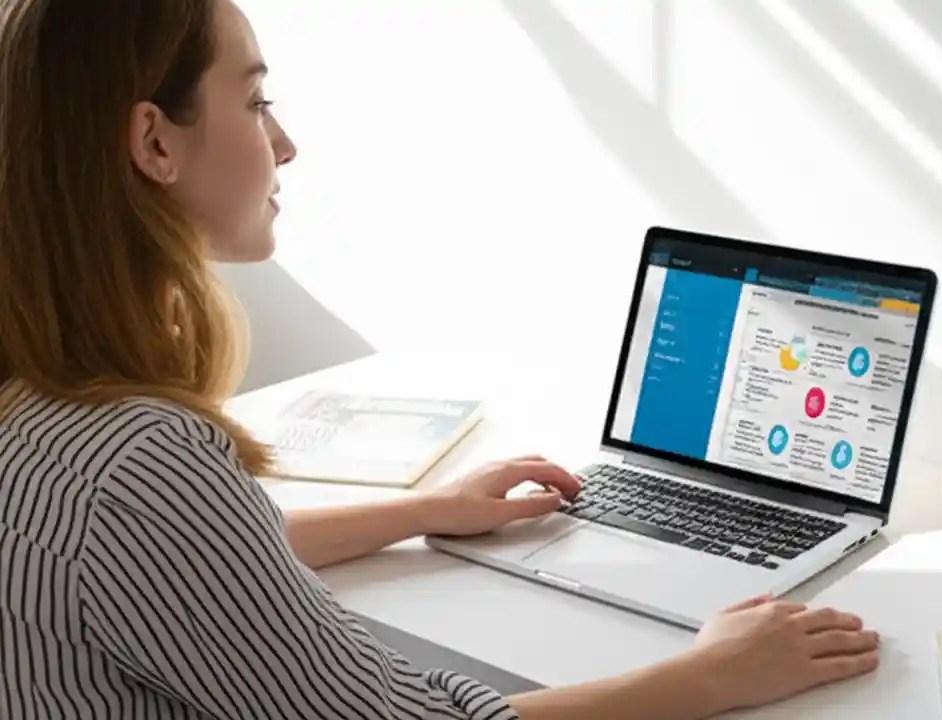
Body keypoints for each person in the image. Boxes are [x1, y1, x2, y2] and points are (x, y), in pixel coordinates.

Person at [0, 1, 881, 717]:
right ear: (155, 143)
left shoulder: (42, 402)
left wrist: (431, 510)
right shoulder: (143, 464)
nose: (285, 143)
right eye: (257, 102)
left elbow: (204, 563)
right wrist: (714, 675)